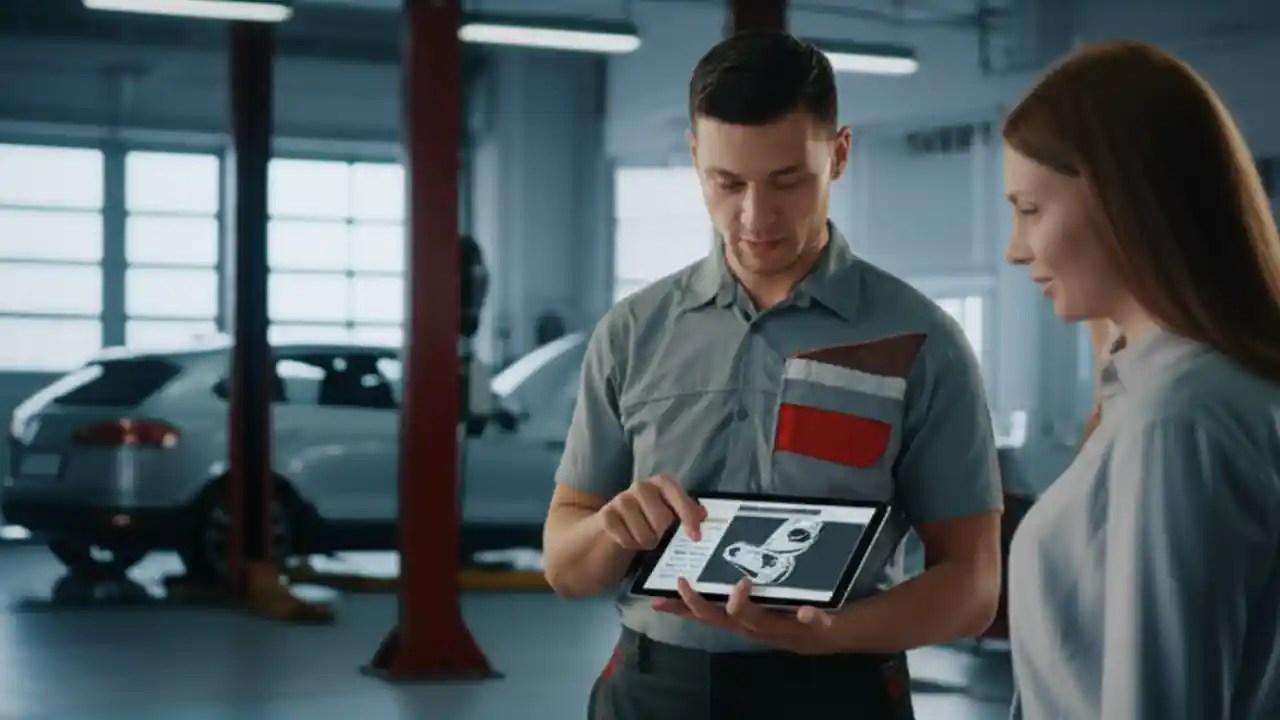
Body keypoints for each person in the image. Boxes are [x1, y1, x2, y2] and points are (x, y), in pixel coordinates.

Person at [542, 30, 1004, 719]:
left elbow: (973, 586)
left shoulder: (923, 341)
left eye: (788, 180)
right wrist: (611, 529)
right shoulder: (633, 333)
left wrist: (833, 634)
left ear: (839, 154)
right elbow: (565, 566)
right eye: (726, 183)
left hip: (838, 689)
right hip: (652, 690)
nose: (755, 218)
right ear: (696, 157)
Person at [1001, 40, 1280, 719]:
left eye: (1030, 210)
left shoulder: (1178, 419)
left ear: (1122, 197)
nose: (1014, 248)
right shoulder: (1198, 391)